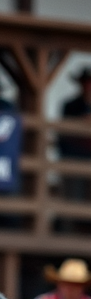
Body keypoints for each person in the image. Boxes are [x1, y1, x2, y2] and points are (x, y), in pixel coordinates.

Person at [58, 67, 91, 204]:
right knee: (72, 198)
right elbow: (63, 134)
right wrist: (81, 122)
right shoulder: (70, 106)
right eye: (85, 82)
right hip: (74, 158)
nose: (87, 86)